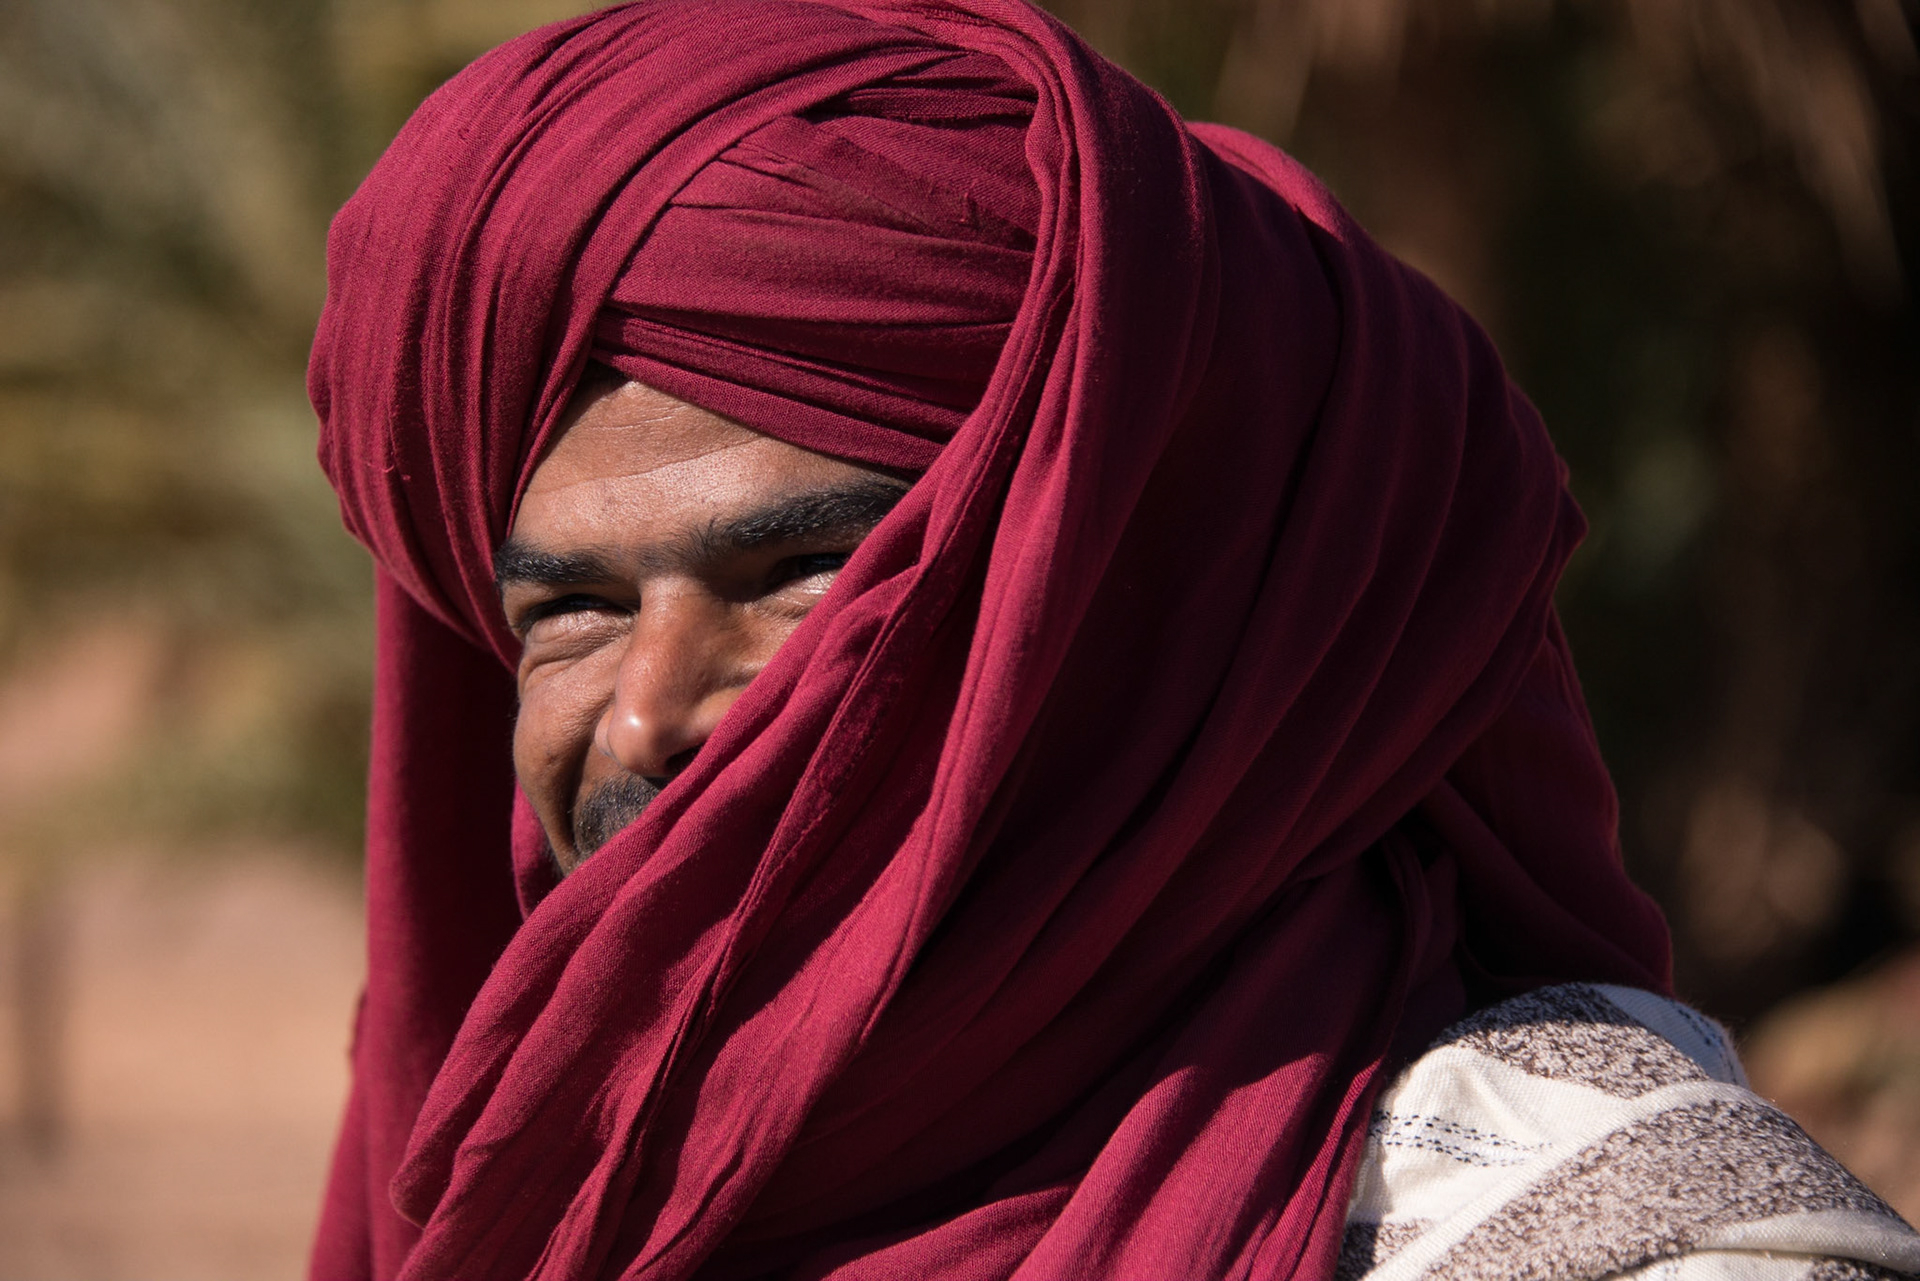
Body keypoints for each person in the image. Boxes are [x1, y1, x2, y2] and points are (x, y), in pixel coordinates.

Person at [305, 2, 1920, 1279]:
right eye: (571, 610)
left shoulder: (1608, 1247)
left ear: (1149, 624)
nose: (650, 716)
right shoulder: (567, 1196)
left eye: (807, 567)